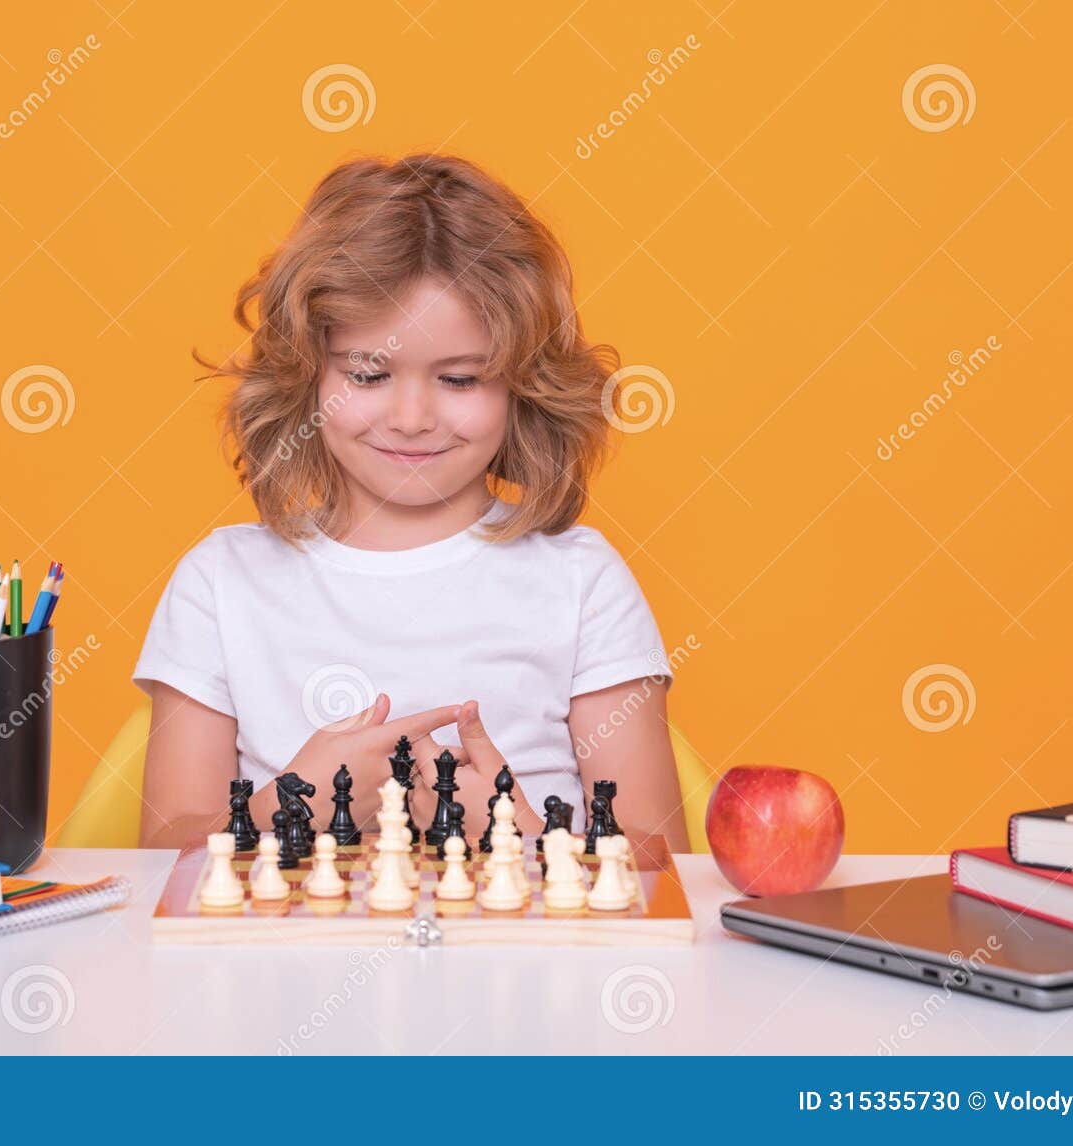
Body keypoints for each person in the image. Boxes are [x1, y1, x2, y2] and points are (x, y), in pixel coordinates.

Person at [134, 153, 686, 851]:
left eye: (460, 379)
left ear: (524, 385)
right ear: (304, 374)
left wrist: (523, 836)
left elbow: (663, 862)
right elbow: (160, 853)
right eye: (368, 374)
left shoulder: (583, 582)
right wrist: (295, 803)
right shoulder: (222, 582)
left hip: (534, 959)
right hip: (279, 960)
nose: (413, 416)